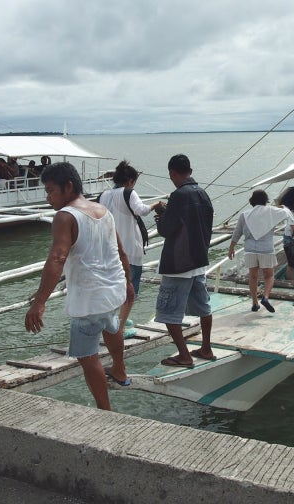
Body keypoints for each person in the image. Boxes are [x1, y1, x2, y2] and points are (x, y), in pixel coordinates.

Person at [24, 162, 135, 410]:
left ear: (68, 186)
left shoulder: (65, 216)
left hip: (89, 299)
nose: (48, 197)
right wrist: (128, 282)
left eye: (51, 190)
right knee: (112, 327)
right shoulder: (103, 211)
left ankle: (105, 411)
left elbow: (57, 258)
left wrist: (39, 302)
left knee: (87, 356)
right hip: (113, 291)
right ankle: (119, 370)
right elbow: (121, 251)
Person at [153, 154, 214, 367]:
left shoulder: (178, 195)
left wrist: (161, 215)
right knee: (204, 307)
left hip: (179, 263)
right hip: (198, 260)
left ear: (172, 173)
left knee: (168, 312)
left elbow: (166, 229)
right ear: (191, 171)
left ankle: (184, 355)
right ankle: (206, 348)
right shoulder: (203, 193)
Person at [99, 160, 158, 324]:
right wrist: (155, 205)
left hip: (108, 252)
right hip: (129, 250)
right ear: (130, 181)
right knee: (129, 291)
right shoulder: (129, 193)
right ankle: (121, 325)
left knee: (111, 289)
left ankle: (110, 323)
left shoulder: (103, 195)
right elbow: (141, 210)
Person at [228, 190, 293, 313]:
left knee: (253, 276)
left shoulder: (244, 215)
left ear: (252, 200)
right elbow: (288, 213)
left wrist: (231, 247)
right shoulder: (271, 212)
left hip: (250, 249)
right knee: (269, 276)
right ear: (265, 200)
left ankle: (254, 303)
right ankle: (265, 297)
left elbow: (237, 232)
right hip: (266, 248)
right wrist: (282, 207)